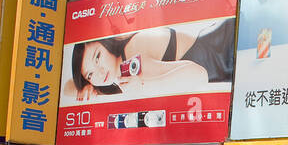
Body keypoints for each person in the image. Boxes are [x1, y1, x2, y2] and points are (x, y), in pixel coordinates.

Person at [70, 18, 236, 100]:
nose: (99, 73)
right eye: (90, 75)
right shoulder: (119, 75)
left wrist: (142, 86)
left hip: (225, 49)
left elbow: (199, 75)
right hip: (224, 53)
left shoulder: (131, 55)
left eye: (98, 57)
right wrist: (87, 87)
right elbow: (67, 87)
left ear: (106, 43)